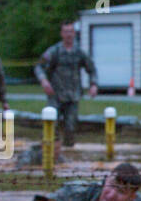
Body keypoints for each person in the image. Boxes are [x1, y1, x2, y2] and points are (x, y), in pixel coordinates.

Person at [35, 19, 98, 147]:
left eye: (71, 32)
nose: (68, 35)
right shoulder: (54, 51)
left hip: (73, 96)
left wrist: (93, 84)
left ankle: (69, 153)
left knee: (71, 128)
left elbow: (92, 69)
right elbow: (38, 66)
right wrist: (44, 81)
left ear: (74, 33)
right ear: (61, 34)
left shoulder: (79, 52)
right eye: (66, 32)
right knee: (52, 127)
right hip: (55, 95)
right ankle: (50, 152)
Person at [33, 162, 141, 201]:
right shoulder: (76, 194)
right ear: (105, 180)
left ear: (131, 197)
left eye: (121, 192)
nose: (111, 195)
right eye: (111, 186)